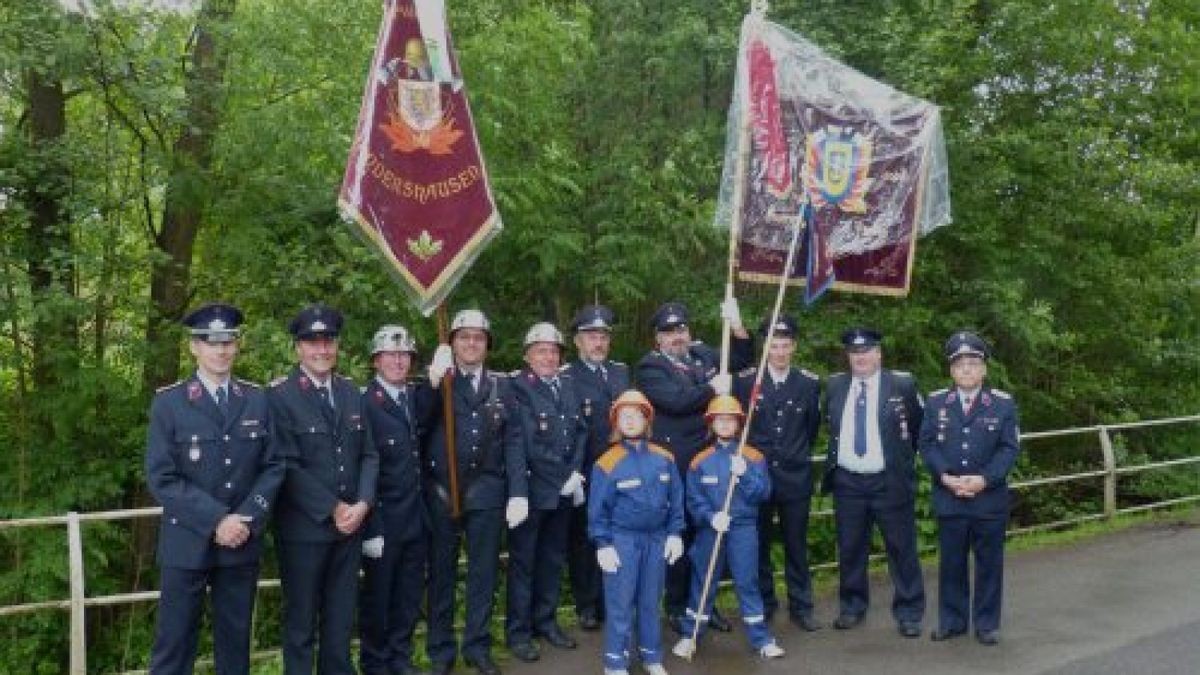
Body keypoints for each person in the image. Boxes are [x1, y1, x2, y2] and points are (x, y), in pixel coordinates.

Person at [145, 302, 283, 674]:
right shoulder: (169, 403)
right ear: (195, 347)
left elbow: (274, 466)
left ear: (237, 345)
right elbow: (161, 476)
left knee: (235, 648)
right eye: (211, 342)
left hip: (241, 540)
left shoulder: (256, 399)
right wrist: (218, 520)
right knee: (174, 646)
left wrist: (246, 518)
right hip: (187, 541)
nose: (220, 350)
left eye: (228, 342)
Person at [270, 304, 378, 674]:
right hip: (304, 530)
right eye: (312, 342)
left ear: (337, 346)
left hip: (350, 527)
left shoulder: (350, 392)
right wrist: (334, 508)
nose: (322, 350)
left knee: (340, 619)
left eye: (328, 341)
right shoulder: (280, 396)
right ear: (298, 348)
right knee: (301, 622)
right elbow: (286, 464)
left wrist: (363, 503)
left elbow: (369, 454)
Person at [636, 299, 752, 632]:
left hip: (710, 464)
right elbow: (675, 401)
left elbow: (741, 358)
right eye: (669, 332)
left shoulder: (701, 354)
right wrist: (711, 389)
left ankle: (704, 603)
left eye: (681, 330)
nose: (677, 337)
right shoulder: (650, 367)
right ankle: (676, 606)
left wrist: (737, 326)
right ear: (658, 338)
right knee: (680, 535)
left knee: (708, 537)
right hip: (677, 465)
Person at [422, 309, 518, 675]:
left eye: (478, 338)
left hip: (487, 491)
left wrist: (517, 492)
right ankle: (440, 650)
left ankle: (477, 646)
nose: (471, 343)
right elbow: (419, 423)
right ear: (452, 343)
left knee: (483, 574)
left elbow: (513, 439)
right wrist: (433, 381)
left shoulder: (502, 386)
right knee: (441, 574)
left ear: (487, 345)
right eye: (464, 337)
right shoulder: (439, 381)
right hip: (442, 491)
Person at [821, 327, 925, 638]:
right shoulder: (835, 385)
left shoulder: (902, 384)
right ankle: (852, 606)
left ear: (878, 354)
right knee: (850, 547)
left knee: (901, 548)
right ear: (848, 356)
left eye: (866, 351)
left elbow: (918, 429)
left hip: (889, 481)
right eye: (854, 352)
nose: (860, 357)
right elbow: (828, 425)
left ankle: (909, 612)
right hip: (848, 482)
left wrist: (902, 463)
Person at [920, 331, 1020, 646]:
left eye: (973, 363)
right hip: (949, 496)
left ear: (984, 369)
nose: (966, 369)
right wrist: (945, 476)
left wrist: (984, 480)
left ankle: (987, 624)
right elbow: (926, 444)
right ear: (951, 370)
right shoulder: (936, 402)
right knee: (951, 564)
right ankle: (952, 621)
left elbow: (1008, 448)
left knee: (989, 564)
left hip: (988, 499)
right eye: (960, 364)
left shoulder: (1002, 404)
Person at [671, 395, 785, 660]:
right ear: (711, 423)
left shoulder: (753, 457)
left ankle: (761, 639)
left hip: (743, 528)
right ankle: (690, 635)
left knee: (747, 581)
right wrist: (710, 517)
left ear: (739, 424)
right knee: (703, 581)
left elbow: (763, 493)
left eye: (730, 419)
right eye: (719, 419)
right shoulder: (700, 461)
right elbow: (693, 500)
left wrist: (745, 474)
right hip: (710, 530)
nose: (724, 424)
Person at [504, 322, 588, 661]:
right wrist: (563, 474)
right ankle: (519, 632)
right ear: (527, 356)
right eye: (541, 351)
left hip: (564, 491)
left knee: (552, 560)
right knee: (524, 564)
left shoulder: (567, 385)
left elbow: (580, 431)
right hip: (533, 491)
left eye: (553, 351)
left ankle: (546, 621)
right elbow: (528, 442)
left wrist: (575, 473)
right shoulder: (518, 387)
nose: (548, 357)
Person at [734, 315, 821, 631]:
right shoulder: (746, 381)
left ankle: (802, 606)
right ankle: (765, 603)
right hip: (758, 479)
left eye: (785, 345)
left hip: (795, 479)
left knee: (796, 546)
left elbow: (810, 429)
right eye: (774, 345)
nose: (780, 352)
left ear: (794, 346)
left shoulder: (809, 383)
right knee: (759, 546)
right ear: (765, 347)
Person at [589, 390, 685, 675]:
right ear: (616, 423)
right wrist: (603, 544)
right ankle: (615, 663)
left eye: (636, 416)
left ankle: (651, 656)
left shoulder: (665, 458)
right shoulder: (607, 462)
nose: (630, 421)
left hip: (657, 539)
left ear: (647, 420)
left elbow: (676, 499)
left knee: (651, 601)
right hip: (622, 541)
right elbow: (597, 509)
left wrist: (675, 533)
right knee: (620, 603)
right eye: (624, 416)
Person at [358, 325, 429, 675]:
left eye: (404, 355)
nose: (399, 361)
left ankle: (400, 657)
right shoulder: (364, 402)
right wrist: (370, 526)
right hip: (383, 519)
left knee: (408, 595)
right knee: (379, 598)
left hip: (416, 515)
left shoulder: (415, 397)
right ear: (376, 360)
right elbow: (361, 466)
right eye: (391, 355)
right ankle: (375, 662)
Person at [563, 304, 630, 630]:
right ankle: (587, 604)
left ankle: (612, 600)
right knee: (585, 540)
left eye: (603, 336)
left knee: (618, 535)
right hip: (587, 471)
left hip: (622, 469)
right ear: (578, 341)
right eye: (591, 336)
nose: (598, 342)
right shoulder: (567, 376)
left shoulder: (621, 372)